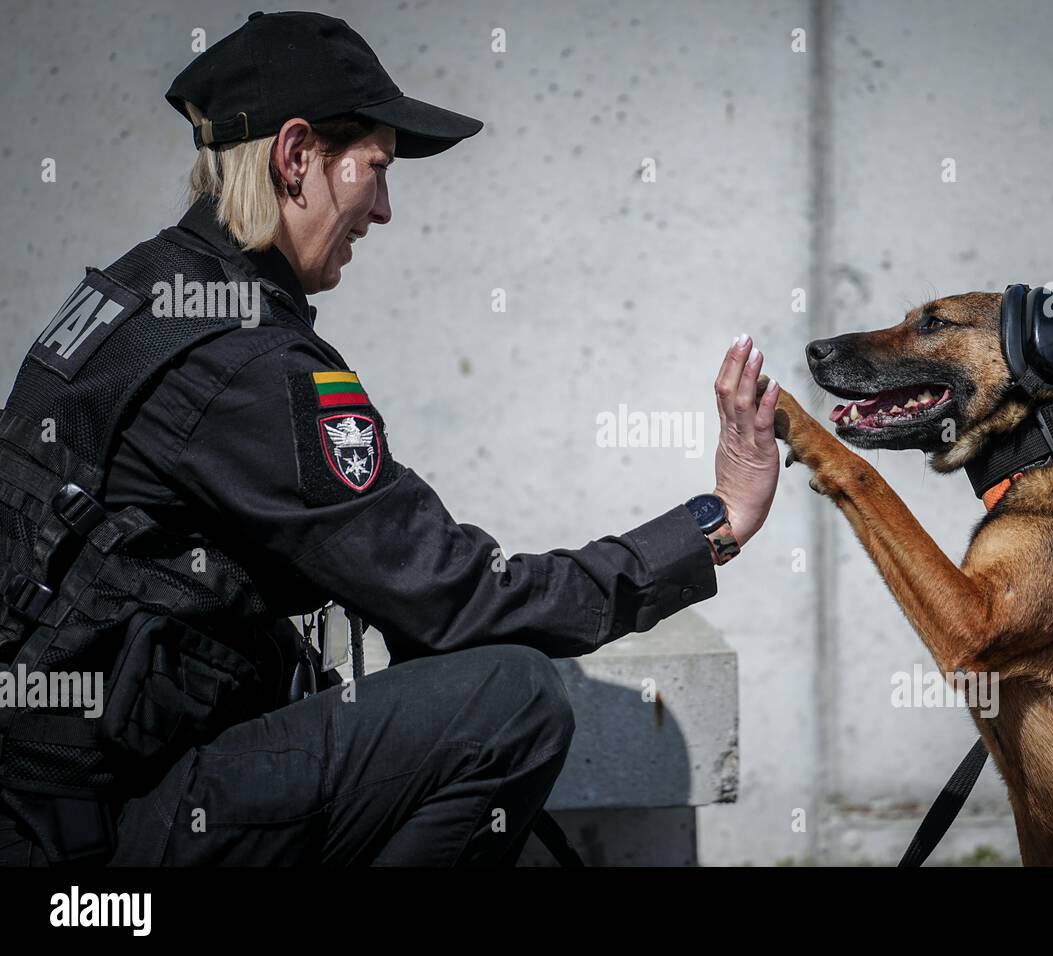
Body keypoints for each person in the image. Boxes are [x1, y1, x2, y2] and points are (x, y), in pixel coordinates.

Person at [0, 11, 780, 866]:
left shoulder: (137, 293)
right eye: (374, 169)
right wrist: (714, 523)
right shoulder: (247, 362)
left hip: (55, 803)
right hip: (104, 840)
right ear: (296, 155)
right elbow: (458, 601)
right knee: (510, 700)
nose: (383, 209)